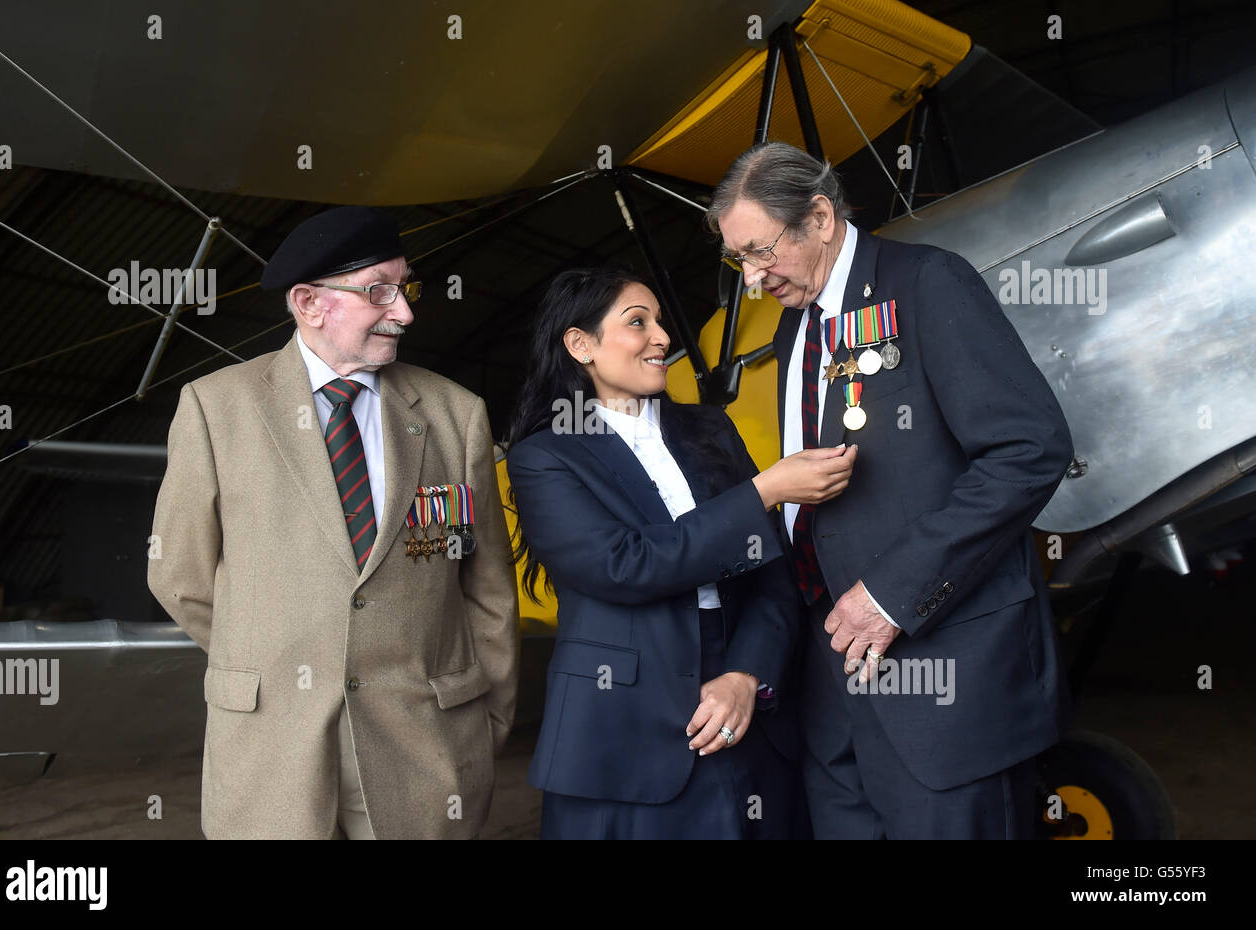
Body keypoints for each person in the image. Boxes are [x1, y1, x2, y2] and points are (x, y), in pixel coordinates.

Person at [709, 142, 1075, 839]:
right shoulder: (795, 325)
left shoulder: (928, 282)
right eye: (738, 261)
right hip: (832, 684)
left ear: (820, 217)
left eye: (760, 251)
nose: (752, 278)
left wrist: (892, 595)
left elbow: (1029, 450)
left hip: (945, 678)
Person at [147, 206, 519, 839]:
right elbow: (179, 576)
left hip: (424, 747)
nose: (405, 312)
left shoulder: (457, 416)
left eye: (406, 288)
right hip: (272, 749)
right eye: (379, 292)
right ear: (308, 304)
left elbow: (487, 589)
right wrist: (276, 657)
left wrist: (486, 722)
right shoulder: (215, 408)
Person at [504, 266, 855, 839]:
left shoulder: (710, 429)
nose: (663, 338)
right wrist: (763, 491)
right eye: (637, 322)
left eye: (661, 322)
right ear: (581, 345)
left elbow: (774, 573)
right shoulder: (545, 457)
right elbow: (624, 564)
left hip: (747, 705)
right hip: (623, 733)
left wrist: (748, 673)